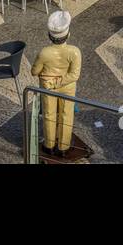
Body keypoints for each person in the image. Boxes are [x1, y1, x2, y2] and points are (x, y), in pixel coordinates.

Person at [32, 11, 88, 161]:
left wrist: (50, 80)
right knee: (66, 115)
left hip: (48, 86)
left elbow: (34, 71)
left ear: (50, 35)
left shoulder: (44, 52)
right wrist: (60, 81)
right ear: (68, 34)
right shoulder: (75, 52)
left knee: (49, 114)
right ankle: (63, 147)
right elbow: (74, 75)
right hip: (68, 87)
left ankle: (49, 145)